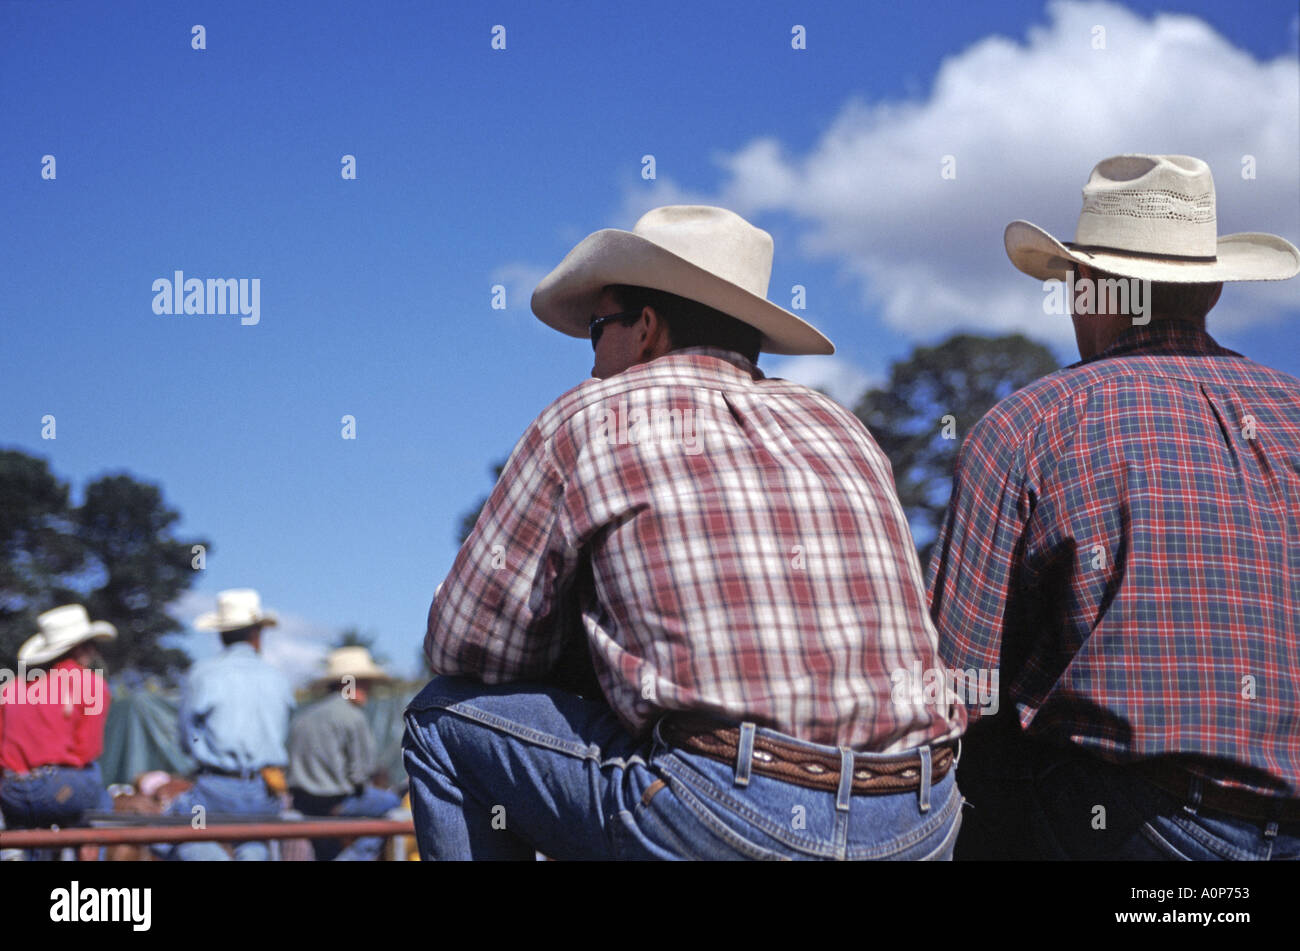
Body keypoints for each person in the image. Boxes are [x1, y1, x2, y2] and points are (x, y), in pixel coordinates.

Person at [403, 204, 966, 861]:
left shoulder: (591, 415)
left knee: (440, 717)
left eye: (596, 329)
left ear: (645, 327)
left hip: (734, 809)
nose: (591, 361)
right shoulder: (841, 426)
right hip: (919, 814)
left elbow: (464, 646)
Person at [927, 154, 1300, 860]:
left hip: (1142, 826)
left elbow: (960, 691)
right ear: (1212, 289)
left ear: (1090, 290)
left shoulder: (1028, 425)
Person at [159, 588, 295, 861]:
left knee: (163, 835)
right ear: (257, 635)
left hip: (216, 790)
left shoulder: (204, 674)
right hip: (264, 794)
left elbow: (187, 739)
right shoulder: (278, 678)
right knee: (253, 844)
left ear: (221, 634)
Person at [0, 605, 115, 857]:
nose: (94, 650)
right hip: (59, 789)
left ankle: (16, 848)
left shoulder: (11, 688)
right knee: (97, 788)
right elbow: (87, 752)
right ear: (78, 648)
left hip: (11, 793)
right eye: (90, 644)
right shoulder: (91, 684)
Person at [288, 646, 401, 861]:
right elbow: (360, 774)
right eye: (364, 683)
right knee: (391, 804)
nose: (368, 689)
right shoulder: (352, 717)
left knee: (327, 845)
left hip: (304, 803)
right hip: (337, 802)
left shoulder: (304, 717)